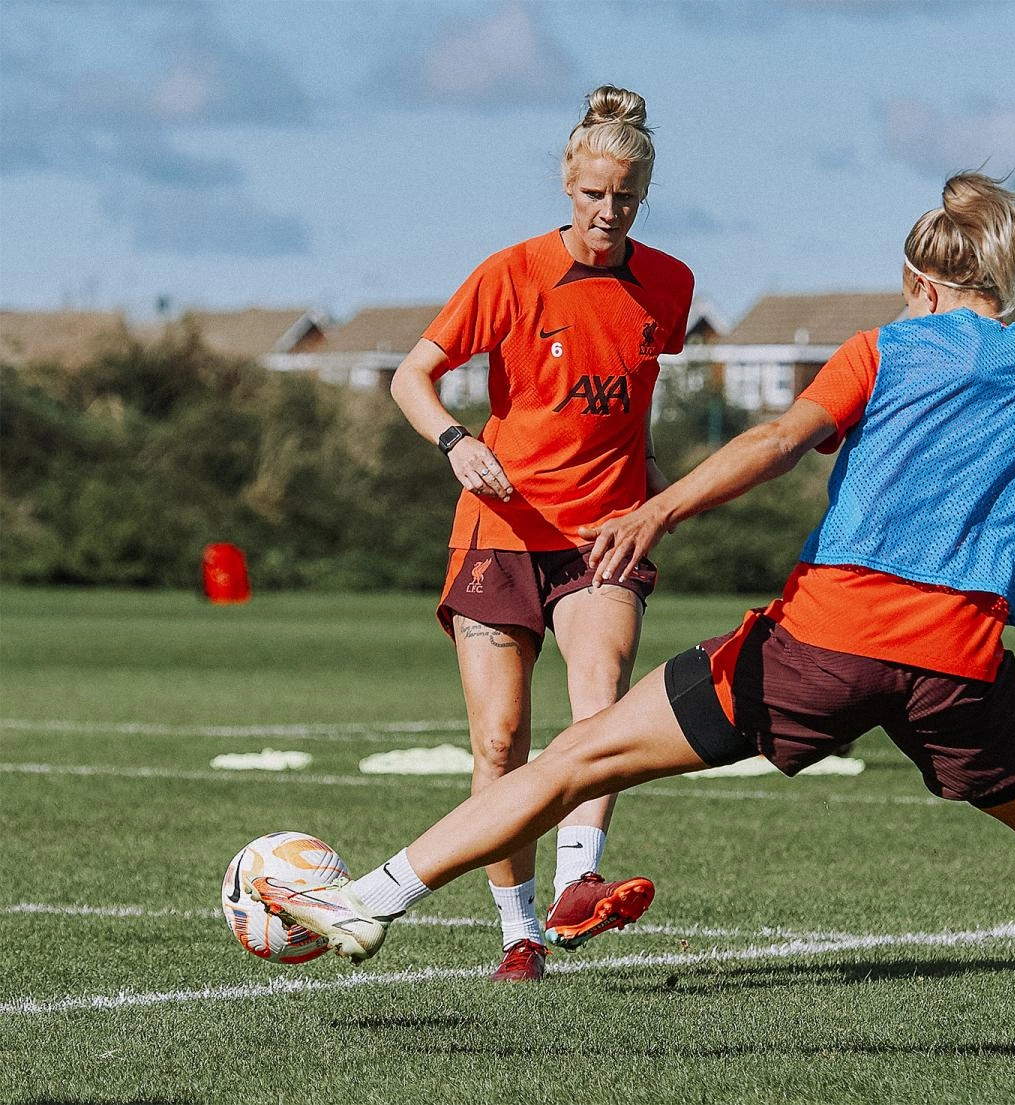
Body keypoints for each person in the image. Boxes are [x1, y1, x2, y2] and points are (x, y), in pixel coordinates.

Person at [255, 172, 1015, 1080]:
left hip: (821, 644)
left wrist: (658, 508)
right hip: (960, 665)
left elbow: (779, 438)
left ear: (919, 280)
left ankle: (370, 899)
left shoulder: (882, 350)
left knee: (572, 759)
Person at [383, 85, 694, 983]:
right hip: (499, 531)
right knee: (501, 741)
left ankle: (577, 883)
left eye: (626, 196)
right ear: (568, 179)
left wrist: (651, 482)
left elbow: (628, 399)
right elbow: (412, 376)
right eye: (594, 193)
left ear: (644, 192)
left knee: (600, 703)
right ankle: (519, 934)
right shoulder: (507, 274)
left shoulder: (668, 285)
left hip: (603, 531)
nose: (608, 211)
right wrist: (457, 439)